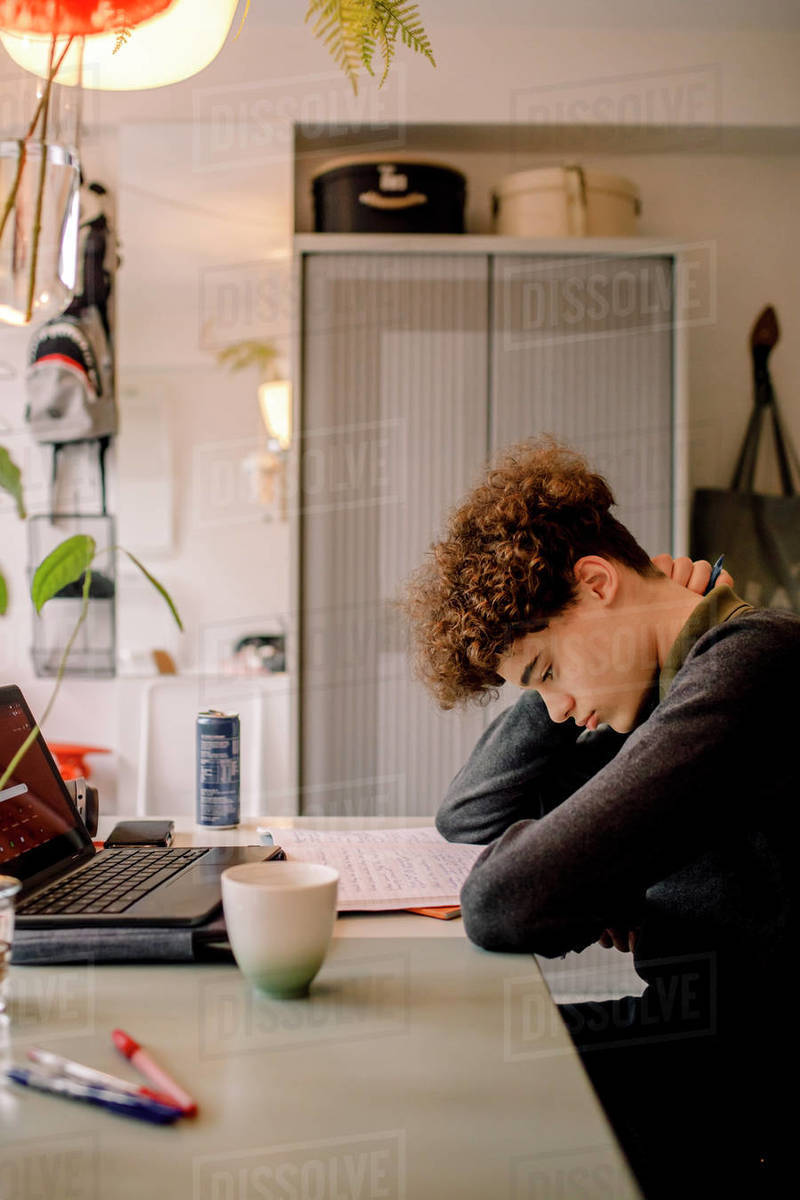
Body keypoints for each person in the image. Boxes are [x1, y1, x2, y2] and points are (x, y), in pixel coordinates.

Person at [401, 438, 794, 1198]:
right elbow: (470, 812)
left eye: (545, 672)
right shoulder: (659, 696)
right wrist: (566, 693)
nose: (557, 707)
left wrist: (588, 872)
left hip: (749, 1088)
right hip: (694, 1041)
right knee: (450, 1053)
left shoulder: (753, 665)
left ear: (594, 581)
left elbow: (503, 901)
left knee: (456, 1089)